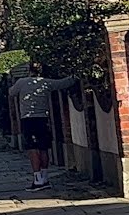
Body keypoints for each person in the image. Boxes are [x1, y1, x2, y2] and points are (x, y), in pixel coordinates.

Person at [8, 63, 78, 191]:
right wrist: (76, 75)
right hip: (43, 118)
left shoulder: (22, 82)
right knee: (43, 148)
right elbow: (64, 83)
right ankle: (45, 177)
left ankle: (37, 179)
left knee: (32, 148)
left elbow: (11, 92)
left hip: (28, 119)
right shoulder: (46, 83)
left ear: (29, 70)